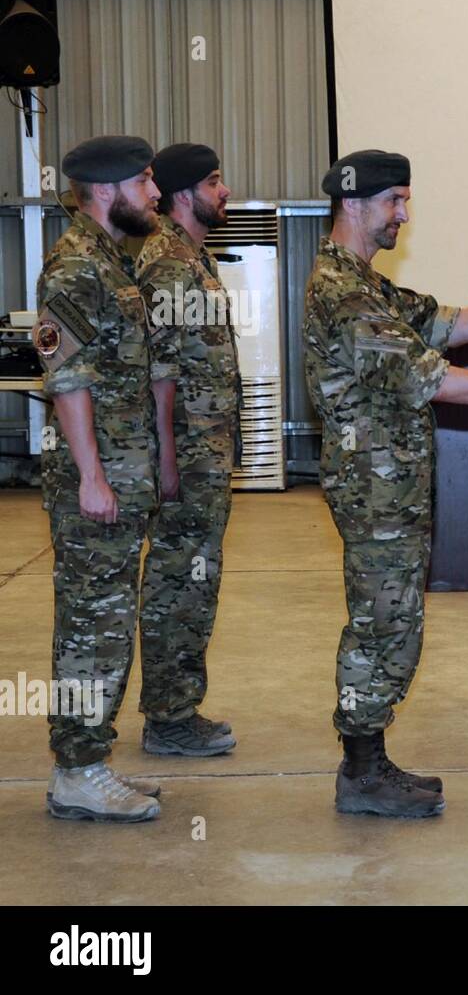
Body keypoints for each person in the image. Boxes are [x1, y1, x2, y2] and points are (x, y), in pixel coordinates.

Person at [305, 149, 468, 818]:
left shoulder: (365, 283)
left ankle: (370, 761)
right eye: (394, 200)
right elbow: (434, 378)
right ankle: (361, 773)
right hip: (374, 493)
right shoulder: (341, 294)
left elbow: (445, 325)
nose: (404, 213)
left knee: (393, 620)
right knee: (381, 623)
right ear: (354, 204)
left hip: (391, 490)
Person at [36, 135, 164, 822]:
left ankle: (90, 763)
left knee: (109, 624)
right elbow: (68, 377)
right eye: (144, 182)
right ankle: (77, 771)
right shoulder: (74, 266)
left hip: (123, 473)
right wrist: (91, 475)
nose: (155, 194)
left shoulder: (113, 260)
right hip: (98, 481)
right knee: (90, 626)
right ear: (108, 190)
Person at [135, 143, 239, 756]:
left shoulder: (191, 257)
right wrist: (169, 461)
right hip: (187, 457)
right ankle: (169, 718)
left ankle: (176, 708)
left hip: (204, 452)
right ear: (183, 194)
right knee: (180, 581)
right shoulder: (170, 263)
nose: (224, 191)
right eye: (214, 181)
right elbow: (160, 372)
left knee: (192, 578)